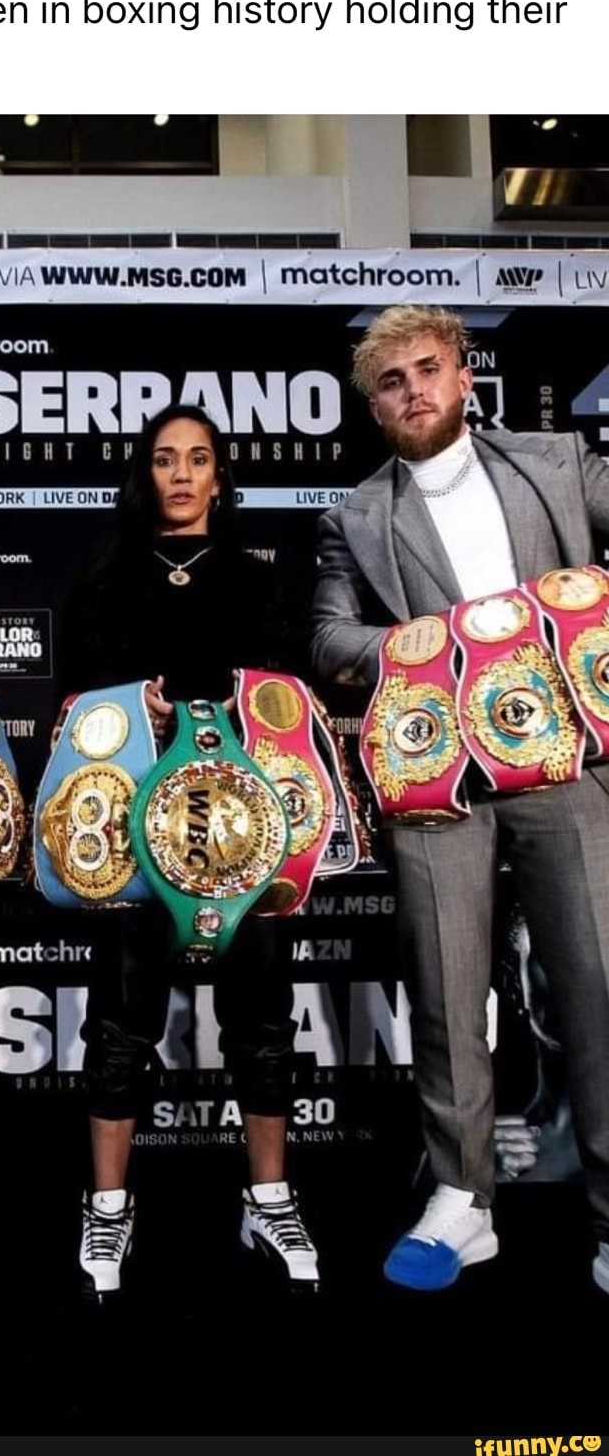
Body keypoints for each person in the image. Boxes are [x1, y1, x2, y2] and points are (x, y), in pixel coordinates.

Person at [311, 303, 609, 1293]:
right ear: (375, 406)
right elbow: (330, 640)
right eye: (391, 383)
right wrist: (429, 647)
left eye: (428, 369)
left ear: (465, 375)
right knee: (445, 991)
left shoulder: (556, 461)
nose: (414, 391)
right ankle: (463, 1199)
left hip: (567, 762)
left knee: (598, 988)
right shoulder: (358, 513)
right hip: (441, 776)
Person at [56, 402, 319, 1298]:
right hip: (130, 835)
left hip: (243, 838)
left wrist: (221, 712)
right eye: (164, 459)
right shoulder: (101, 579)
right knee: (121, 1025)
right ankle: (108, 1208)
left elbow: (289, 706)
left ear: (218, 476)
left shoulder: (258, 580)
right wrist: (137, 711)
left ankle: (270, 1196)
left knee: (263, 1021)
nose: (179, 473)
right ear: (145, 473)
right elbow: (73, 710)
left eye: (196, 459)